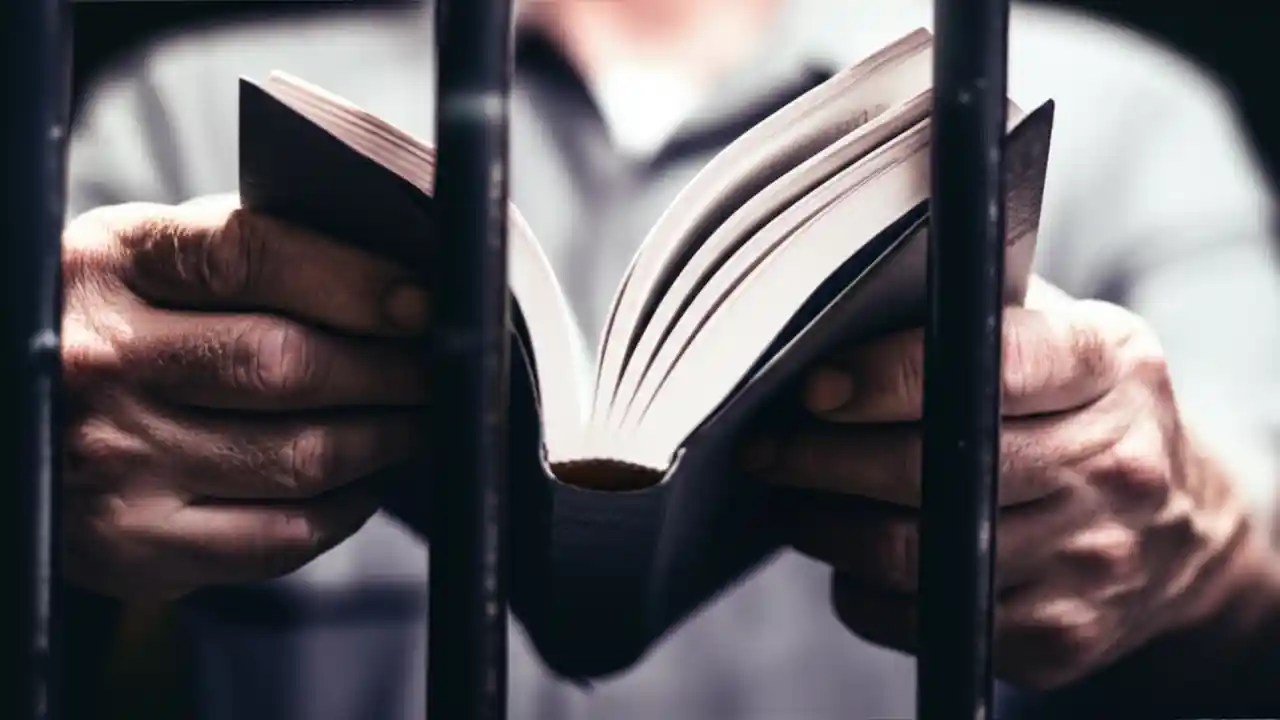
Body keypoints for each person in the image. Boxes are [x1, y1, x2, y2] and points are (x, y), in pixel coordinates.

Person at [62, 0, 1280, 717]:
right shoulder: (177, 113)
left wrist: (1190, 531)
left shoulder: (1120, 111)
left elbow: (1254, 504)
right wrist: (34, 468)